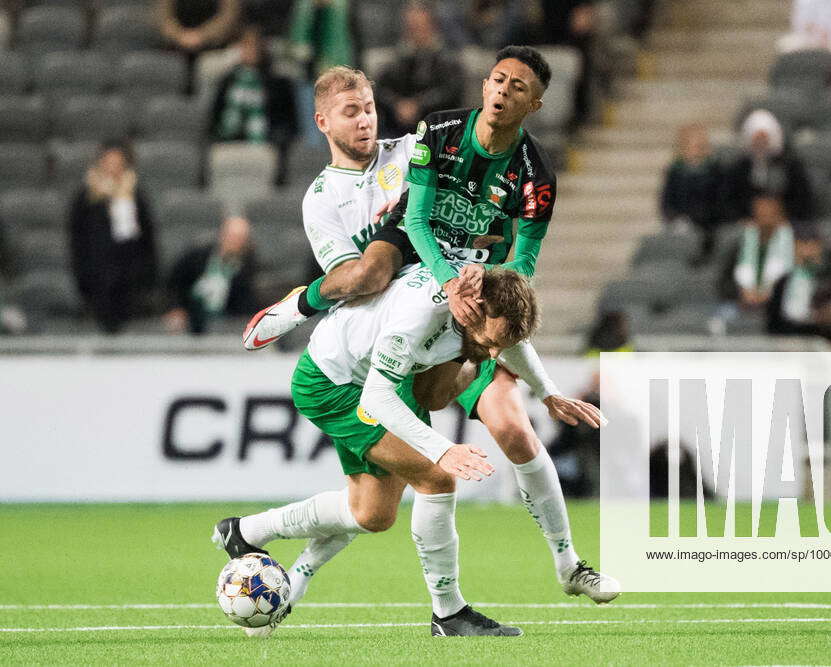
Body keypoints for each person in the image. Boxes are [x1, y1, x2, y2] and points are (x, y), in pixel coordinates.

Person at [243, 50, 619, 602]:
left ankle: (569, 564)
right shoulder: (325, 197)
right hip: (406, 307)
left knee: (513, 426)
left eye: (368, 109)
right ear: (322, 121)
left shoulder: (422, 147)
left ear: (535, 103)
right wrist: (446, 281)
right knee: (384, 496)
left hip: (458, 298)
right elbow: (400, 234)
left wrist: (496, 299)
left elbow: (521, 261)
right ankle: (298, 306)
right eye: (351, 112)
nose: (366, 120)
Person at [215, 268, 602, 637]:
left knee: (372, 514)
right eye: (488, 342)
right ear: (473, 309)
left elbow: (509, 344)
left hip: (376, 379)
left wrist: (548, 392)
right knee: (436, 477)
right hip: (334, 385)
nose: (492, 352)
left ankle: (246, 531)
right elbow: (377, 398)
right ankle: (449, 612)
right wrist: (440, 450)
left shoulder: (477, 305)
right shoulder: (418, 318)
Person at [68, 141, 157, 334]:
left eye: (118, 162)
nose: (113, 167)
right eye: (109, 162)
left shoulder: (135, 196)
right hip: (97, 275)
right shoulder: (86, 197)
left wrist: (146, 272)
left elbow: (147, 237)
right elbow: (77, 238)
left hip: (130, 275)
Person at [376, 1, 465, 138]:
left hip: (436, 128)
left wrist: (419, 105)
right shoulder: (398, 57)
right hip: (397, 127)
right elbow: (380, 89)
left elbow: (450, 92)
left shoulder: (447, 58)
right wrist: (397, 104)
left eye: (418, 27)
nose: (413, 32)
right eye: (410, 27)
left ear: (432, 26)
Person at [163, 216, 260, 335]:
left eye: (240, 239)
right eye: (232, 236)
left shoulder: (249, 269)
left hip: (225, 322)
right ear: (222, 234)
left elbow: (246, 305)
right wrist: (175, 307)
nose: (235, 242)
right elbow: (174, 283)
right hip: (190, 316)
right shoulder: (196, 257)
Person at [209, 25, 299, 149]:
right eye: (246, 45)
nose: (251, 50)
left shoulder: (278, 84)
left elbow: (287, 124)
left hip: (266, 142)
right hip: (228, 141)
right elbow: (214, 118)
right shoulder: (227, 80)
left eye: (255, 45)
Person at [728, 109, 815, 224]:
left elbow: (802, 199)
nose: (760, 143)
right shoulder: (740, 168)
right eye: (757, 139)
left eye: (764, 139)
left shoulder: (789, 166)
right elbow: (732, 200)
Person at [659, 123, 725, 262]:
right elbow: (667, 204)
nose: (697, 150)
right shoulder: (675, 172)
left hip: (711, 227)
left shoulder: (716, 171)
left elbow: (722, 201)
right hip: (683, 227)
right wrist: (677, 219)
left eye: (701, 145)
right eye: (692, 145)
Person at [718, 194, 796, 311]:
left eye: (771, 215)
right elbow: (724, 282)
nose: (766, 220)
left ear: (781, 217)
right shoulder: (740, 246)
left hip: (780, 307)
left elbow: (796, 280)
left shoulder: (793, 246)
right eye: (761, 215)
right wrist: (741, 292)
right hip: (743, 304)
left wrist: (772, 295)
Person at [766, 225, 831, 338]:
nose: (806, 251)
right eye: (801, 246)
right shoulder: (782, 283)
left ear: (819, 247)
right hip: (788, 338)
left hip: (820, 337)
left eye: (811, 246)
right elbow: (772, 321)